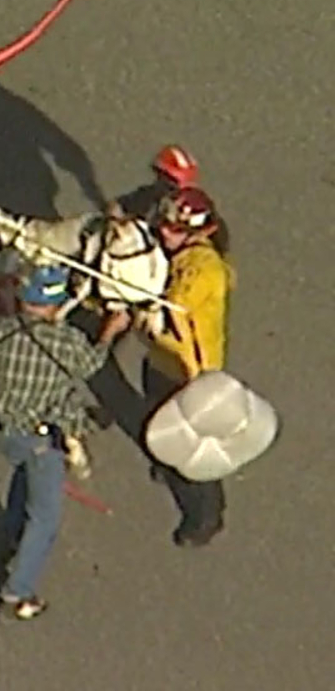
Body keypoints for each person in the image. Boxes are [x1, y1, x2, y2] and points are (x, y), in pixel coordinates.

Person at [0, 264, 131, 620]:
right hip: (43, 438)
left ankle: (9, 540)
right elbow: (92, 364)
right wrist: (110, 332)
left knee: (23, 485)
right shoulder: (66, 342)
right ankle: (16, 593)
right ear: (55, 306)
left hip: (5, 434)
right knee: (45, 518)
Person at [141, 185, 234, 547]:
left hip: (190, 372)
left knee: (196, 450)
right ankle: (167, 461)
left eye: (174, 229)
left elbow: (174, 308)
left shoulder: (203, 271)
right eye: (165, 225)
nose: (165, 232)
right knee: (158, 420)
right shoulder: (178, 256)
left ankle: (205, 515)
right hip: (162, 361)